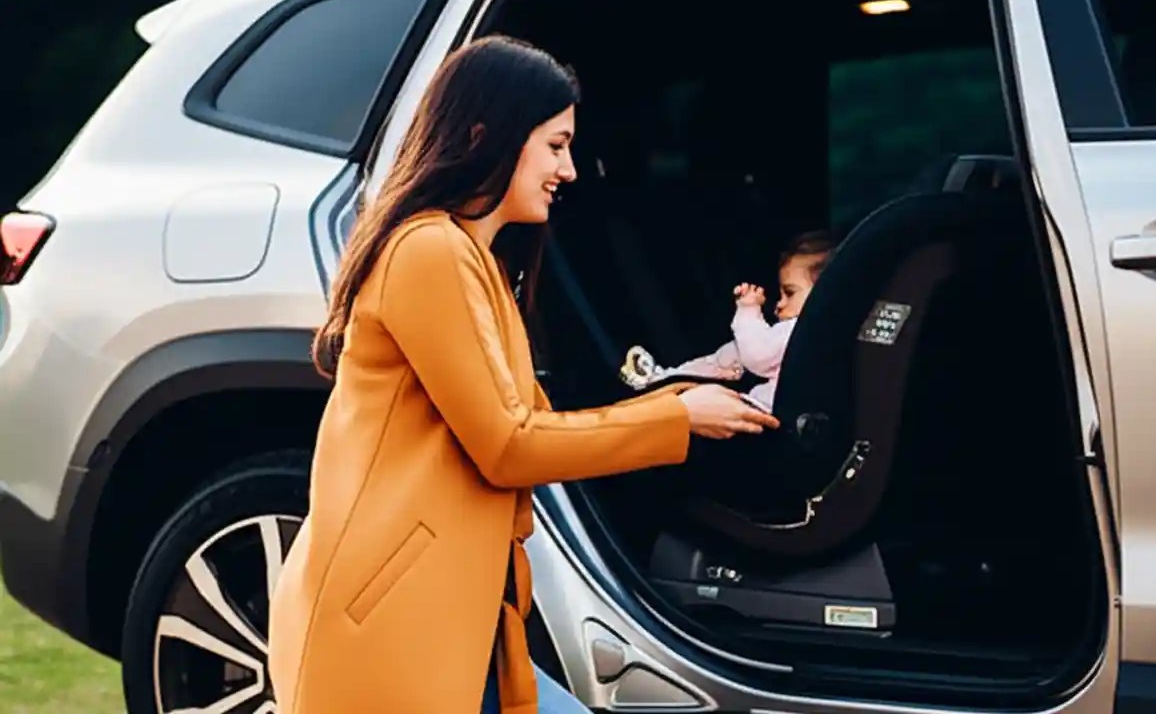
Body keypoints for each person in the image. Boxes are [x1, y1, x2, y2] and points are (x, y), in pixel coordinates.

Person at [265, 35, 779, 714]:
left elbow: (539, 425)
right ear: (487, 136)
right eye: (555, 145)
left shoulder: (474, 261)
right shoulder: (430, 253)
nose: (568, 170)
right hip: (395, 631)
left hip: (449, 621)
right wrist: (679, 418)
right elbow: (510, 446)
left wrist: (682, 398)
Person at [620, 230, 838, 411]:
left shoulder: (801, 332)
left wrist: (748, 311)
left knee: (724, 364)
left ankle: (664, 382)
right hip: (765, 408)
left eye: (790, 293)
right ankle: (666, 379)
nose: (779, 304)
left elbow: (758, 355)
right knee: (724, 357)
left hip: (762, 413)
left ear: (824, 293)